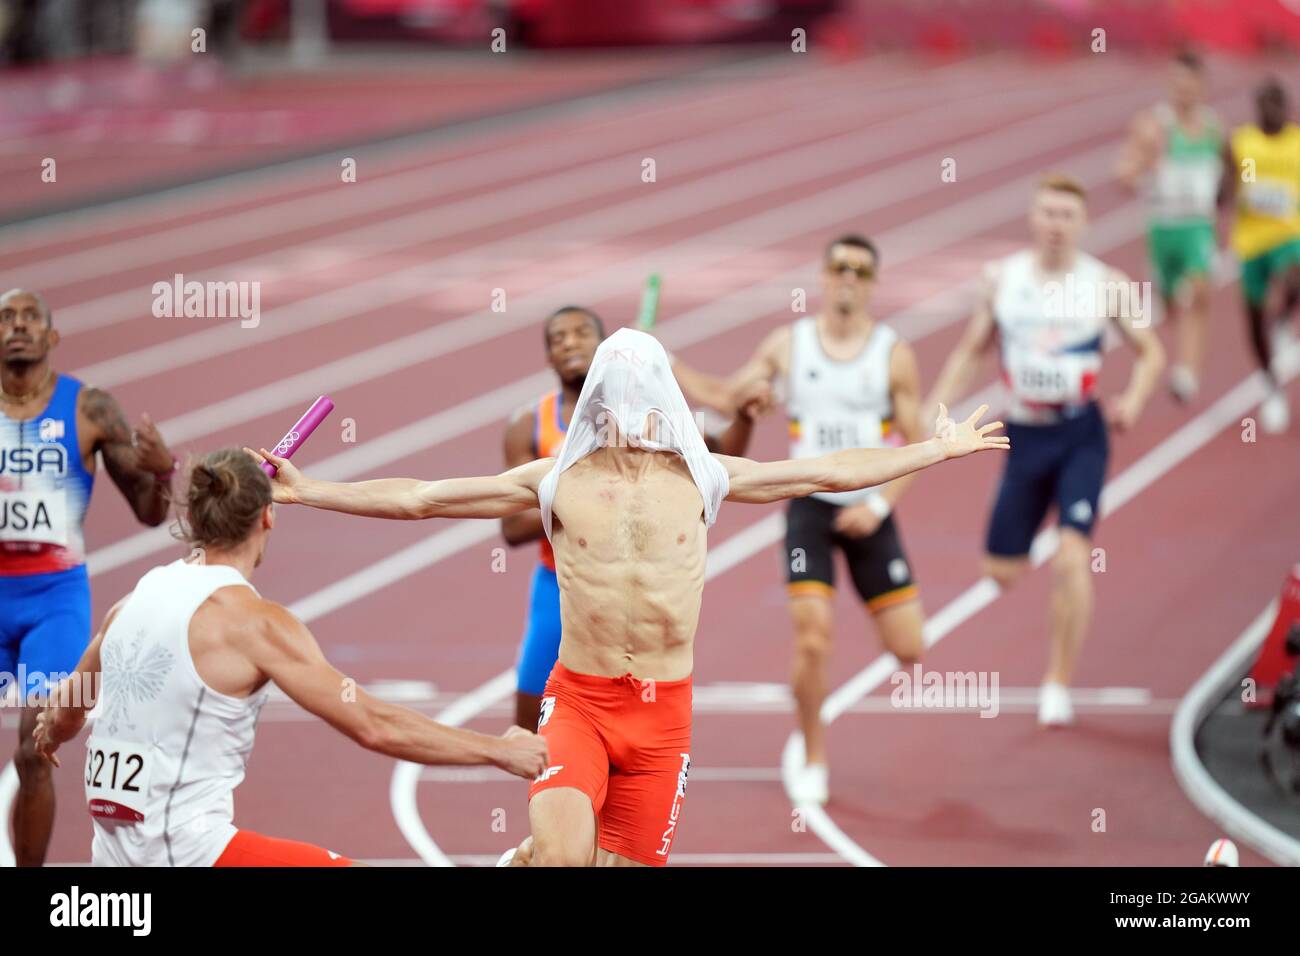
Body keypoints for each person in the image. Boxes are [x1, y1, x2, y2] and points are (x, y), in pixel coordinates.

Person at [251, 327, 1007, 866]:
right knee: (564, 856)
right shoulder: (557, 480)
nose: (635, 409)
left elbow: (829, 471)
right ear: (599, 406)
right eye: (620, 395)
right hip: (579, 702)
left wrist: (935, 449)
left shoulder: (708, 476)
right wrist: (313, 490)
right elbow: (422, 498)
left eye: (648, 394)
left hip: (663, 718)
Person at [32, 449, 548, 867]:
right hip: (190, 853)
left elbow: (67, 708)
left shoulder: (130, 603)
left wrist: (53, 733)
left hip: (114, 860)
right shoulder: (254, 624)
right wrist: (497, 750)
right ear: (267, 516)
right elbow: (373, 724)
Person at [670, 235, 928, 806]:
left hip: (868, 502)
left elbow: (917, 439)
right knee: (813, 640)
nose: (849, 278)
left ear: (873, 283)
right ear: (824, 274)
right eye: (840, 267)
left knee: (910, 648)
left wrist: (880, 504)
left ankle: (880, 602)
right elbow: (725, 395)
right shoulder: (788, 346)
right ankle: (813, 753)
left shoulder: (892, 354)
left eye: (861, 271)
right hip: (809, 502)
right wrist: (668, 364)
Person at [926, 174, 1164, 727]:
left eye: (1067, 215)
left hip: (1081, 435)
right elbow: (971, 351)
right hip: (1023, 435)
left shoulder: (1107, 285)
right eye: (1048, 213)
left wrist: (1133, 398)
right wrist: (934, 407)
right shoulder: (1001, 281)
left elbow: (1150, 353)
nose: (1056, 224)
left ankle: (1057, 682)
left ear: (1083, 222)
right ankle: (1034, 547)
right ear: (1033, 218)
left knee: (1072, 556)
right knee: (1000, 571)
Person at [502, 306, 760, 731]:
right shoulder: (528, 425)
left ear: (604, 349)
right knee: (528, 720)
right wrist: (582, 498)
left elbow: (714, 461)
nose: (570, 342)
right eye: (558, 338)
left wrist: (746, 418)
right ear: (548, 358)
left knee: (633, 710)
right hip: (559, 584)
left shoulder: (654, 419)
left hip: (633, 586)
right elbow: (512, 528)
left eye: (581, 333)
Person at [1, 288, 178, 867]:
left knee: (36, 745)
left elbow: (151, 513)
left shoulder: (91, 410)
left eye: (30, 318)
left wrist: (163, 470)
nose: (17, 327)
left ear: (52, 338)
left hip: (54, 600)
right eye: (6, 318)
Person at [1115, 48, 1222, 402]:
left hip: (1197, 228)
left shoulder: (1213, 128)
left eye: (1189, 84)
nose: (1182, 90)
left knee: (1198, 295)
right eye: (1176, 82)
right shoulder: (1153, 126)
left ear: (1202, 86)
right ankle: (1169, 311)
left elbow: (1228, 178)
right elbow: (1123, 175)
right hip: (1163, 229)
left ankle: (1186, 372)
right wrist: (1146, 162)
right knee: (1172, 303)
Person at [1220, 77, 1300, 433]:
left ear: (1287, 108)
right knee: (1253, 323)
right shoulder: (1241, 143)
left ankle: (1283, 319)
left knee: (1295, 276)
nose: (1272, 111)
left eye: (1277, 104)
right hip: (1251, 243)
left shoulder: (1297, 144)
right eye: (1265, 104)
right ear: (1257, 109)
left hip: (1288, 234)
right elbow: (1222, 191)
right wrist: (1226, 189)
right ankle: (1271, 388)